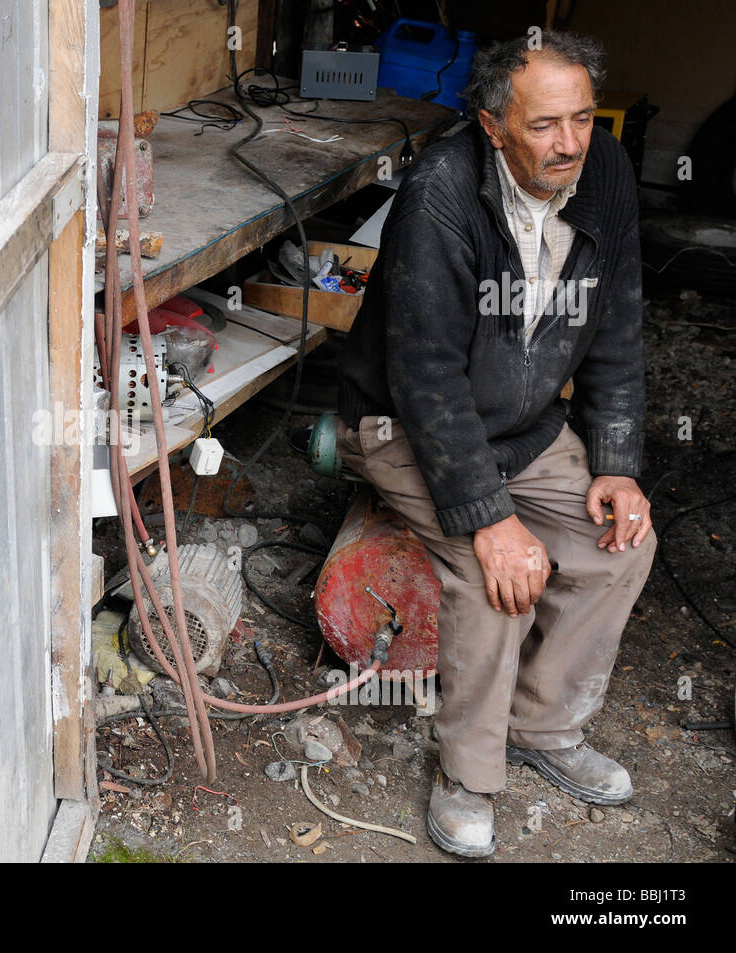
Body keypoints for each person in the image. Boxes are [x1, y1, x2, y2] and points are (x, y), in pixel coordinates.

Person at [334, 30, 657, 857]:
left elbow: (616, 321)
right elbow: (425, 375)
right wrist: (488, 516)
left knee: (619, 546)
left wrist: (617, 461)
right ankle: (469, 774)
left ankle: (545, 729)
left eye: (583, 118)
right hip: (404, 423)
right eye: (546, 125)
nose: (571, 143)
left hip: (526, 426)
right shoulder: (441, 194)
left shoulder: (607, 173)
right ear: (491, 125)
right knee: (497, 577)